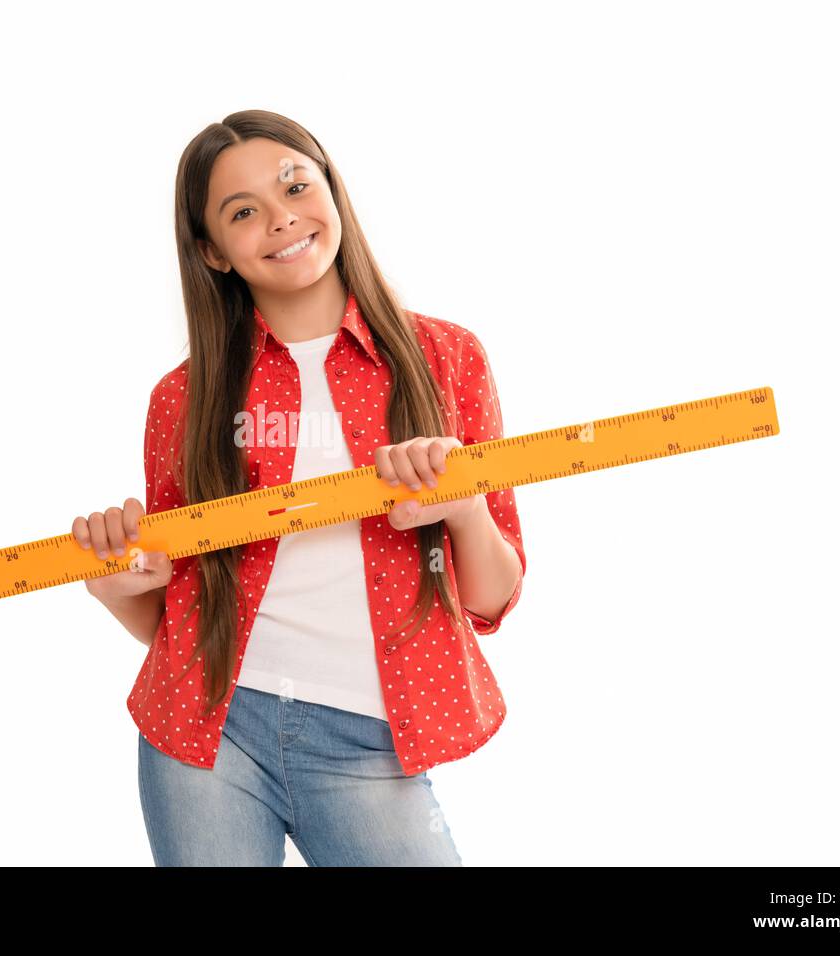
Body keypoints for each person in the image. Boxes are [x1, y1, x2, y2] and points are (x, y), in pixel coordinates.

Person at [70, 110, 526, 866]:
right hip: (209, 733)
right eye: (243, 211)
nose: (281, 219)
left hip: (370, 742)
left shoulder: (447, 358)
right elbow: (174, 617)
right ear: (213, 251)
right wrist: (120, 586)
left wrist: (465, 508)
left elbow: (491, 597)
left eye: (294, 185)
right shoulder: (185, 398)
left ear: (331, 191)